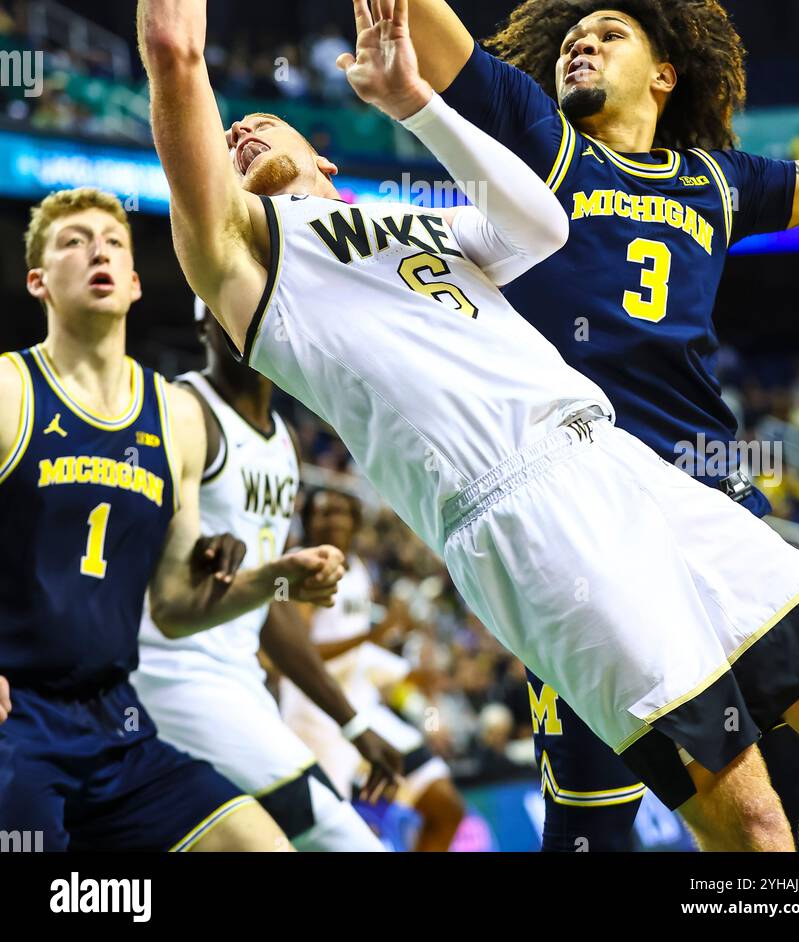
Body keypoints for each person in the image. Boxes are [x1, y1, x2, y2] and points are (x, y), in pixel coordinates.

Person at [112, 0, 799, 851]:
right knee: (728, 828)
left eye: (611, 34)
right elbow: (183, 56)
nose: (239, 135)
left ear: (326, 155)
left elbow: (536, 226)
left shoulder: (447, 221)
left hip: (641, 474)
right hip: (529, 509)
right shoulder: (241, 250)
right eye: (228, 138)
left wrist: (416, 105)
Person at [0, 187, 343, 852]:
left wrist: (276, 577)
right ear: (38, 281)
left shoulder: (174, 417)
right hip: (17, 725)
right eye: (73, 241)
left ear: (133, 282)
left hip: (118, 724)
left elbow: (178, 607)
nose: (97, 249)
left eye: (113, 241)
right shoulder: (12, 392)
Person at [132, 301, 399, 851]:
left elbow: (272, 604)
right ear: (203, 321)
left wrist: (351, 724)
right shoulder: (185, 412)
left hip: (239, 681)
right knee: (341, 837)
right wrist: (187, 546)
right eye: (224, 310)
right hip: (173, 673)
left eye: (253, 311)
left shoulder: (284, 442)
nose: (239, 322)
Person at [280, 486, 466, 851]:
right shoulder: (300, 567)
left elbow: (357, 653)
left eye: (340, 512)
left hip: (362, 710)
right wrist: (374, 633)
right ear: (307, 520)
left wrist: (403, 672)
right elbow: (296, 653)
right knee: (324, 840)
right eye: (322, 512)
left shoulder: (358, 570)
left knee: (444, 805)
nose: (332, 520)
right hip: (315, 720)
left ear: (355, 521)